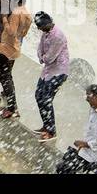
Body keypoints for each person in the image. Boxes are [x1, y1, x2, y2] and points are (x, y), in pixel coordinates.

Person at [57, 85, 97, 174]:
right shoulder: (93, 109)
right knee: (62, 168)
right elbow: (90, 132)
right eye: (86, 96)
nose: (86, 99)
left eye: (89, 96)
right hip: (86, 154)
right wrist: (82, 147)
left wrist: (85, 144)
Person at [0, 0, 32, 120]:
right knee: (7, 76)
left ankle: (12, 107)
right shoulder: (27, 14)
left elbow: (11, 32)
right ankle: (11, 104)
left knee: (4, 76)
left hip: (7, 47)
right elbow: (23, 33)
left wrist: (4, 18)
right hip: (16, 47)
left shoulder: (16, 12)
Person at [33, 12, 70, 140]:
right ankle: (46, 125)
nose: (39, 29)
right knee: (39, 96)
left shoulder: (58, 36)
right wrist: (42, 56)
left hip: (59, 72)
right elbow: (39, 49)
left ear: (48, 23)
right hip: (48, 71)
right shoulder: (45, 33)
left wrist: (43, 57)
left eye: (40, 27)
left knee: (46, 99)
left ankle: (51, 131)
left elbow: (49, 58)